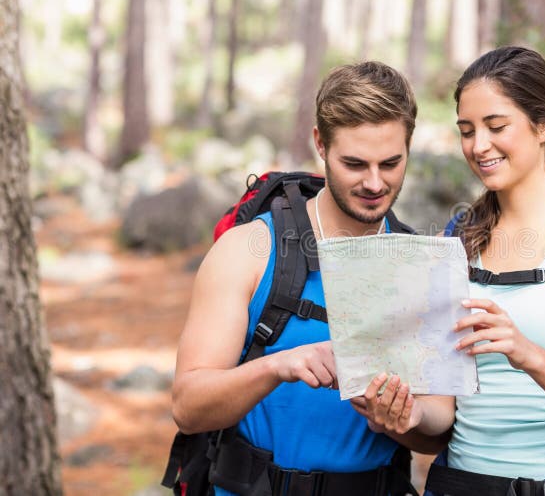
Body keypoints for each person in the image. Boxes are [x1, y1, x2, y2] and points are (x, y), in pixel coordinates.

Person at [356, 47, 545, 496]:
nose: (478, 146)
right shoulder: (456, 243)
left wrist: (527, 354)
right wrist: (406, 417)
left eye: (496, 126)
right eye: (467, 131)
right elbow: (443, 414)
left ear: (544, 125)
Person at [171, 61, 451, 496]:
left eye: (392, 163)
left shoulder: (421, 264)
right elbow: (189, 407)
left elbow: (435, 434)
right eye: (355, 163)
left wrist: (404, 419)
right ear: (320, 143)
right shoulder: (250, 249)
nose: (375, 183)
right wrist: (277, 365)